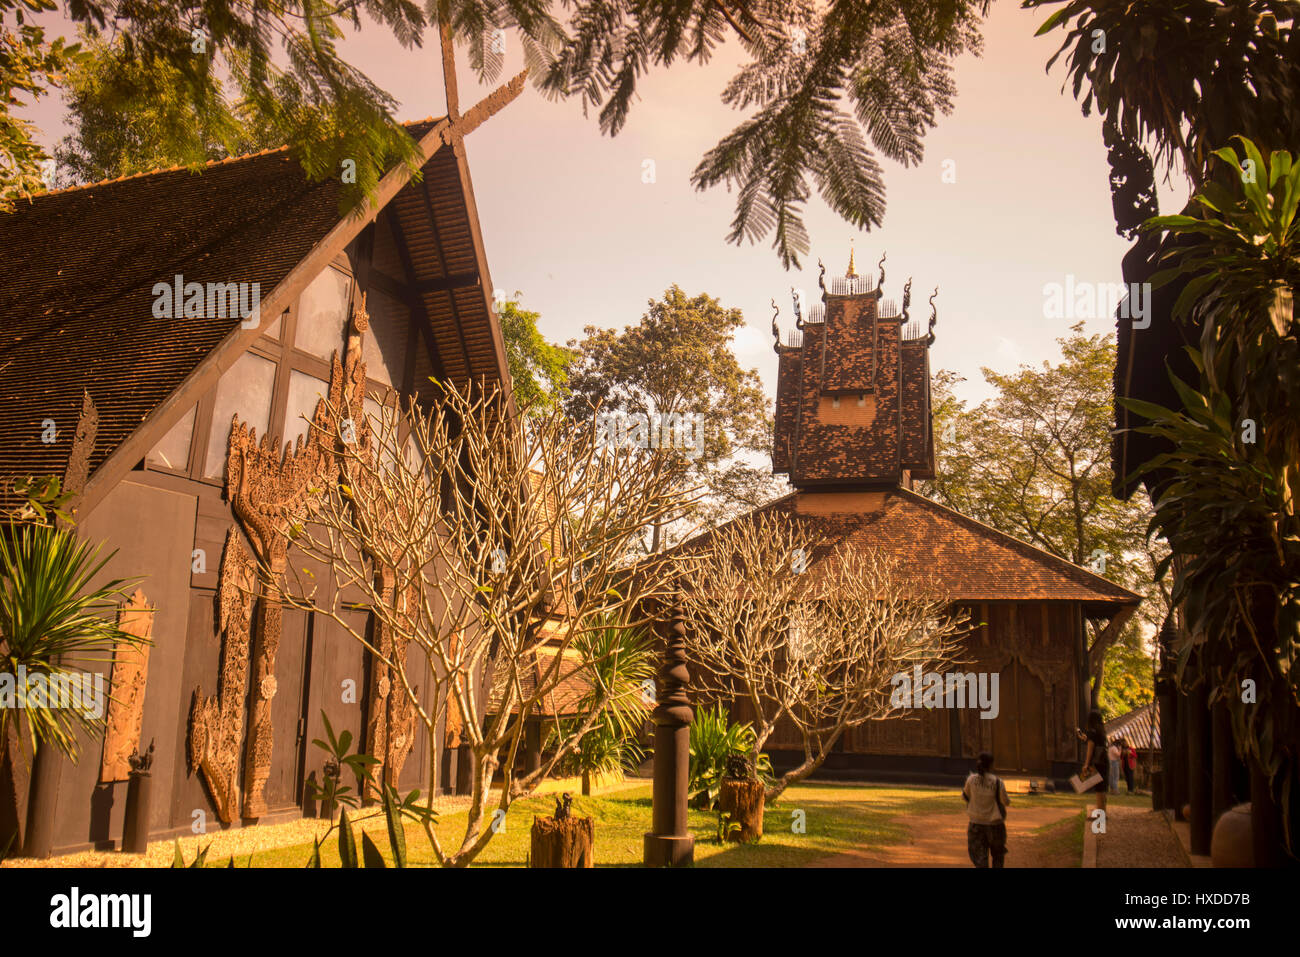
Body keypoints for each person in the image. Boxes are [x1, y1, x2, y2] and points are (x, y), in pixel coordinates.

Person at [962, 751, 1010, 868]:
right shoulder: (998, 782)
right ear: (991, 765)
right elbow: (1006, 802)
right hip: (995, 825)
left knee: (979, 858)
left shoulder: (971, 780)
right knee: (998, 856)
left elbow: (965, 796)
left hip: (976, 824)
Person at [1082, 710, 1109, 811]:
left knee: (1099, 790)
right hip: (1104, 761)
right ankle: (1103, 811)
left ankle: (1100, 813)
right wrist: (1086, 738)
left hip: (1096, 762)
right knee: (1103, 788)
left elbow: (1090, 748)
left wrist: (1086, 764)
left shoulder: (1091, 732)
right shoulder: (1101, 732)